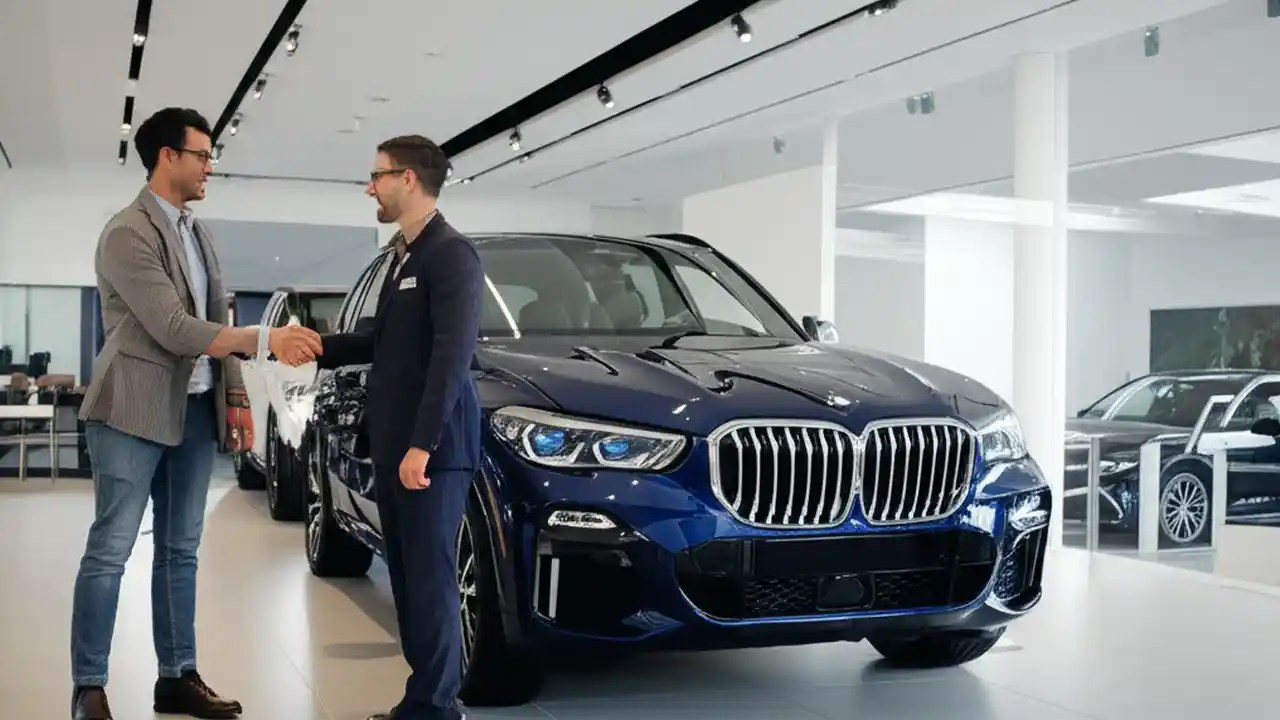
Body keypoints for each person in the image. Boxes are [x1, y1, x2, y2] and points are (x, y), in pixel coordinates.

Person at [69, 107, 322, 720]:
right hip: (131, 409)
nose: (211, 166)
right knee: (112, 549)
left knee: (181, 550)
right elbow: (174, 328)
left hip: (193, 411)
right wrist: (266, 340)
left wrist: (235, 397)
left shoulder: (197, 231)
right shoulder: (127, 232)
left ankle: (176, 676)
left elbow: (217, 316)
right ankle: (89, 688)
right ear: (167, 157)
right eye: (203, 154)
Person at [308, 135, 483, 720]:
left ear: (408, 179)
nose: (370, 187)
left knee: (431, 584)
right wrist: (316, 346)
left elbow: (451, 359)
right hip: (396, 448)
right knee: (407, 582)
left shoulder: (451, 256)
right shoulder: (403, 259)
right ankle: (422, 700)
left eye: (377, 176)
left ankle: (437, 708)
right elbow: (382, 344)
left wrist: (422, 445)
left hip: (428, 453)